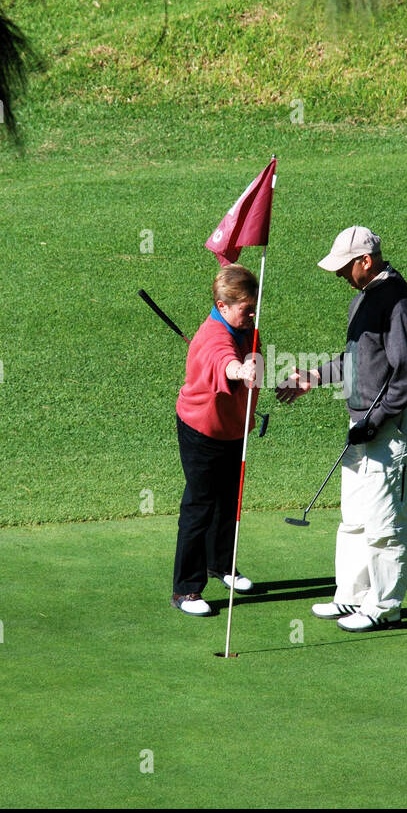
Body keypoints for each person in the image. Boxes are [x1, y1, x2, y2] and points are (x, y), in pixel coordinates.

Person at [276, 226, 407, 631]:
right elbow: (358, 361)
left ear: (366, 260)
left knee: (384, 521)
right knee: (355, 516)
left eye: (346, 267)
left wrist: (375, 422)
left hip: (388, 423)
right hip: (362, 420)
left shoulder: (396, 303)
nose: (340, 274)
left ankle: (384, 606)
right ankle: (351, 597)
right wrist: (314, 376)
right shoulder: (363, 298)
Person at [170, 264, 261, 616]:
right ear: (222, 307)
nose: (252, 315)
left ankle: (222, 565)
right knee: (199, 507)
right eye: (245, 309)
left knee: (228, 500)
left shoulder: (246, 327)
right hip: (202, 432)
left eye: (255, 307)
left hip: (233, 428)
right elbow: (224, 362)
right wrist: (241, 370)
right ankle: (186, 590)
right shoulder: (213, 337)